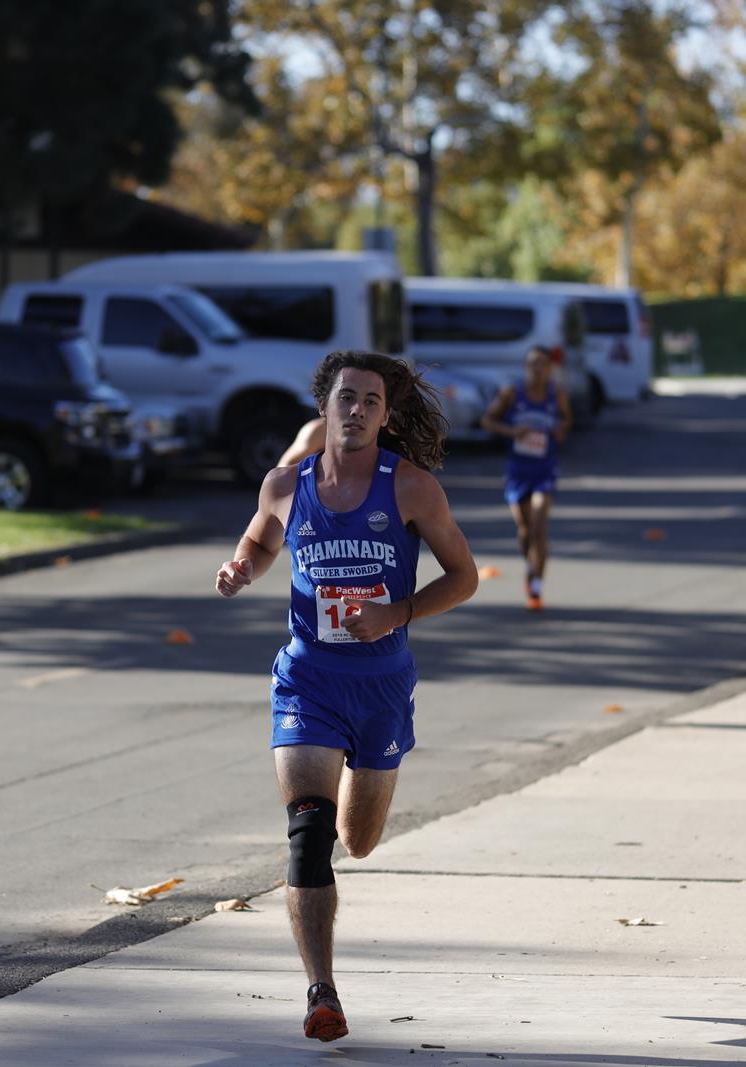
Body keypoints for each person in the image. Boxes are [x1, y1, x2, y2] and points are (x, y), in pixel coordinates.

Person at [215, 351, 478, 1043]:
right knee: (310, 832)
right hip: (307, 679)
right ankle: (320, 992)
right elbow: (260, 538)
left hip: (382, 685)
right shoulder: (284, 483)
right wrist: (243, 564)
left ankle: (368, 776)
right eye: (346, 397)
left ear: (385, 416)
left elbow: (464, 576)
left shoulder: (412, 489)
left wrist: (396, 614)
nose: (356, 409)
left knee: (357, 840)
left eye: (370, 400)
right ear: (324, 408)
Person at [481, 345, 571, 611]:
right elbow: (487, 420)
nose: (537, 369)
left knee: (539, 524)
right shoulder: (513, 393)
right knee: (524, 529)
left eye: (542, 364)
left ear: (550, 368)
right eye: (532, 364)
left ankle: (536, 585)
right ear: (526, 367)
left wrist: (560, 431)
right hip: (518, 470)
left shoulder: (557, 394)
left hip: (545, 469)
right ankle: (530, 563)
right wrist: (512, 431)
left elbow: (567, 420)